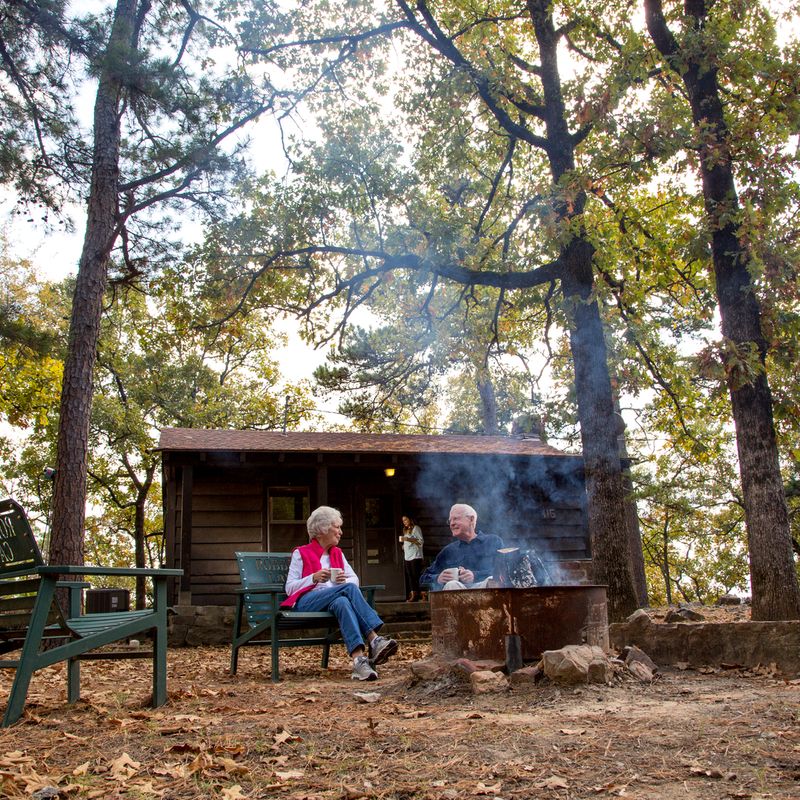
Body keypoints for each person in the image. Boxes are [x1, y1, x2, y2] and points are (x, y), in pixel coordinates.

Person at [282, 505, 398, 681]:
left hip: (333, 602)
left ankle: (359, 661)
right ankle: (374, 639)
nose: (341, 532)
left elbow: (354, 580)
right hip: (306, 602)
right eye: (337, 527)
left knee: (342, 602)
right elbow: (289, 588)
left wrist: (343, 582)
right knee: (347, 591)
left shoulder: (337, 554)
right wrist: (312, 578)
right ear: (322, 529)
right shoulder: (301, 553)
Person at [419, 503, 504, 591]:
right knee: (452, 584)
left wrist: (475, 575)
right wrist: (437, 578)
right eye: (450, 521)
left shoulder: (493, 541)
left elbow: (504, 571)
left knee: (491, 580)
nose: (451, 524)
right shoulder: (448, 551)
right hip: (459, 596)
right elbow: (423, 578)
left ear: (471, 519)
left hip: (486, 592)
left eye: (456, 518)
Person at [399, 514, 425, 602]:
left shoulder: (416, 528)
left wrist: (407, 540)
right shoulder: (405, 530)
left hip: (415, 555)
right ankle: (414, 594)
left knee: (416, 575)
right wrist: (404, 545)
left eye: (406, 520)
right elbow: (407, 541)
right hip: (407, 556)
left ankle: (422, 593)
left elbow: (420, 542)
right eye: (403, 521)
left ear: (410, 519)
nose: (404, 522)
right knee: (410, 576)